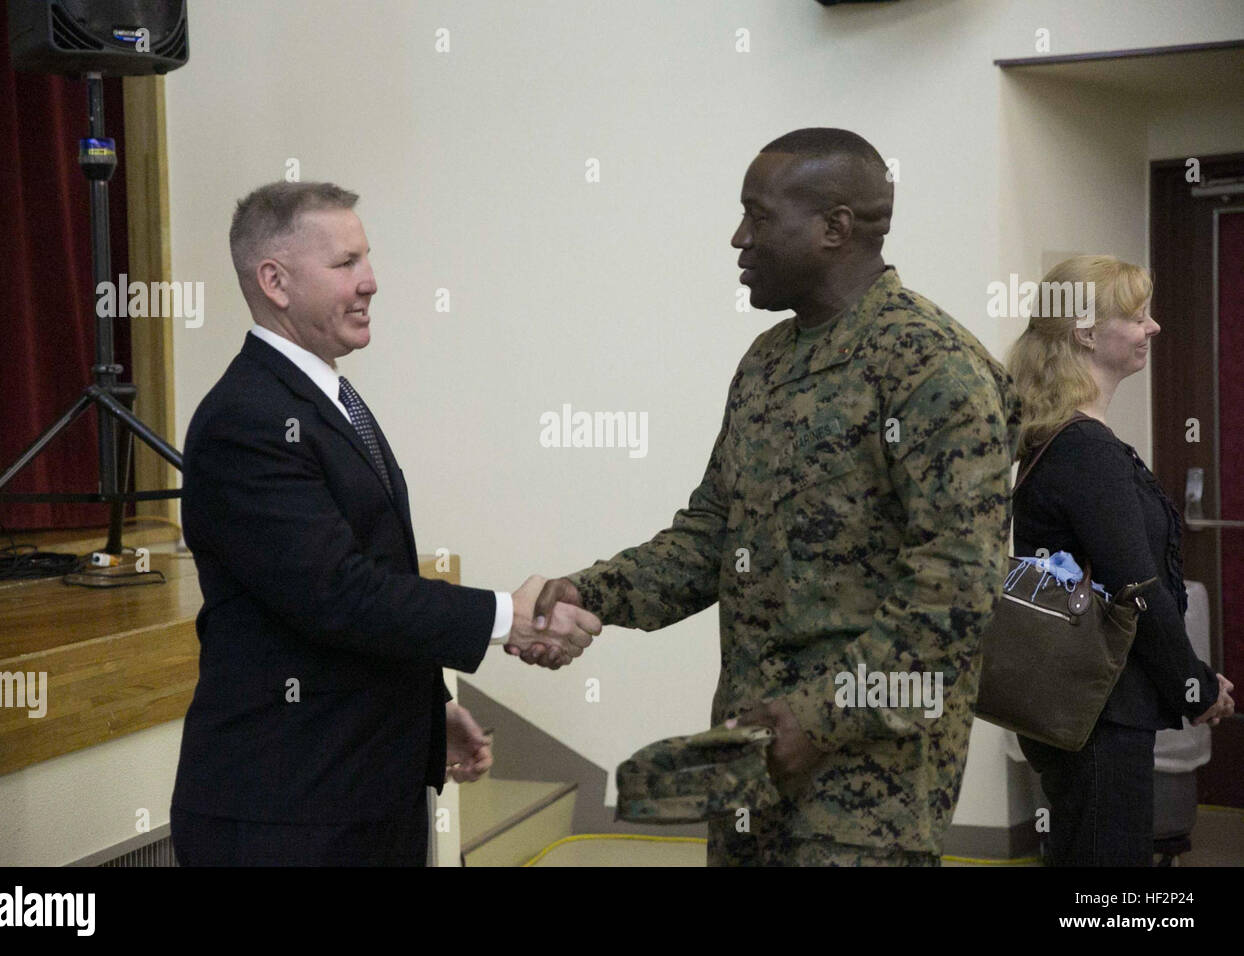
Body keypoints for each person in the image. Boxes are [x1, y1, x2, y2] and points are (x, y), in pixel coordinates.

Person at [522, 128, 1021, 866]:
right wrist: (590, 591)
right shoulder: (767, 363)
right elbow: (710, 534)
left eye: (758, 217)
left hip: (868, 790)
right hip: (752, 764)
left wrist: (820, 720)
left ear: (834, 228)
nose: (738, 239)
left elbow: (954, 594)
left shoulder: (933, 367)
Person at [170, 181, 600, 866]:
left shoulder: (323, 394)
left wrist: (428, 715)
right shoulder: (247, 419)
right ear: (275, 281)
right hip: (286, 814)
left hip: (360, 791)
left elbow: (367, 583)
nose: (371, 282)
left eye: (366, 258)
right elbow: (338, 593)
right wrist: (504, 616)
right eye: (345, 264)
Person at [1005, 254, 1234, 866]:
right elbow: (1139, 588)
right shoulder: (1085, 450)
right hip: (1100, 711)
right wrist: (1195, 683)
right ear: (1085, 332)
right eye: (1136, 316)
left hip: (1078, 704)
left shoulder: (1061, 438)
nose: (1153, 327)